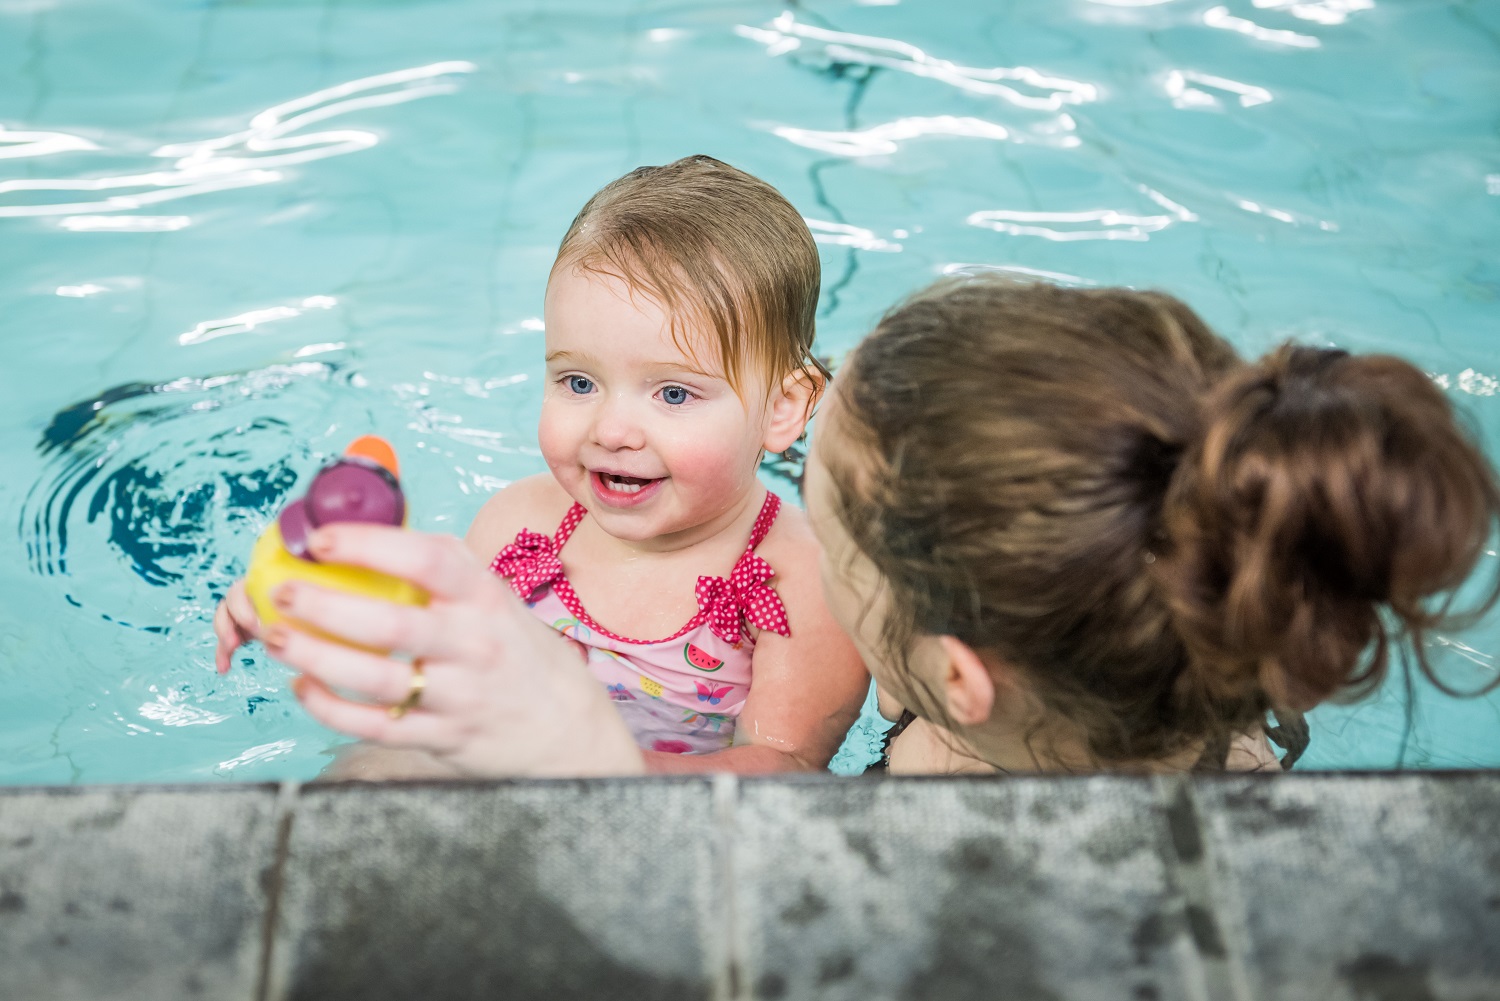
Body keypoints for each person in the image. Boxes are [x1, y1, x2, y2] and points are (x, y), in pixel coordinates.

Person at [239, 276, 1500, 778]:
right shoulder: (1213, 661)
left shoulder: (940, 806)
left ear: (953, 677)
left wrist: (576, 752)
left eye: (827, 540)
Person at [214, 156, 869, 775]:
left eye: (674, 393)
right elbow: (424, 664)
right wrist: (304, 608)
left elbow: (783, 774)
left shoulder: (803, 581)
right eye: (579, 382)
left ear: (784, 408)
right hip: (493, 779)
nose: (610, 431)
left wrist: (584, 762)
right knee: (374, 768)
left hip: (661, 822)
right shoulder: (518, 524)